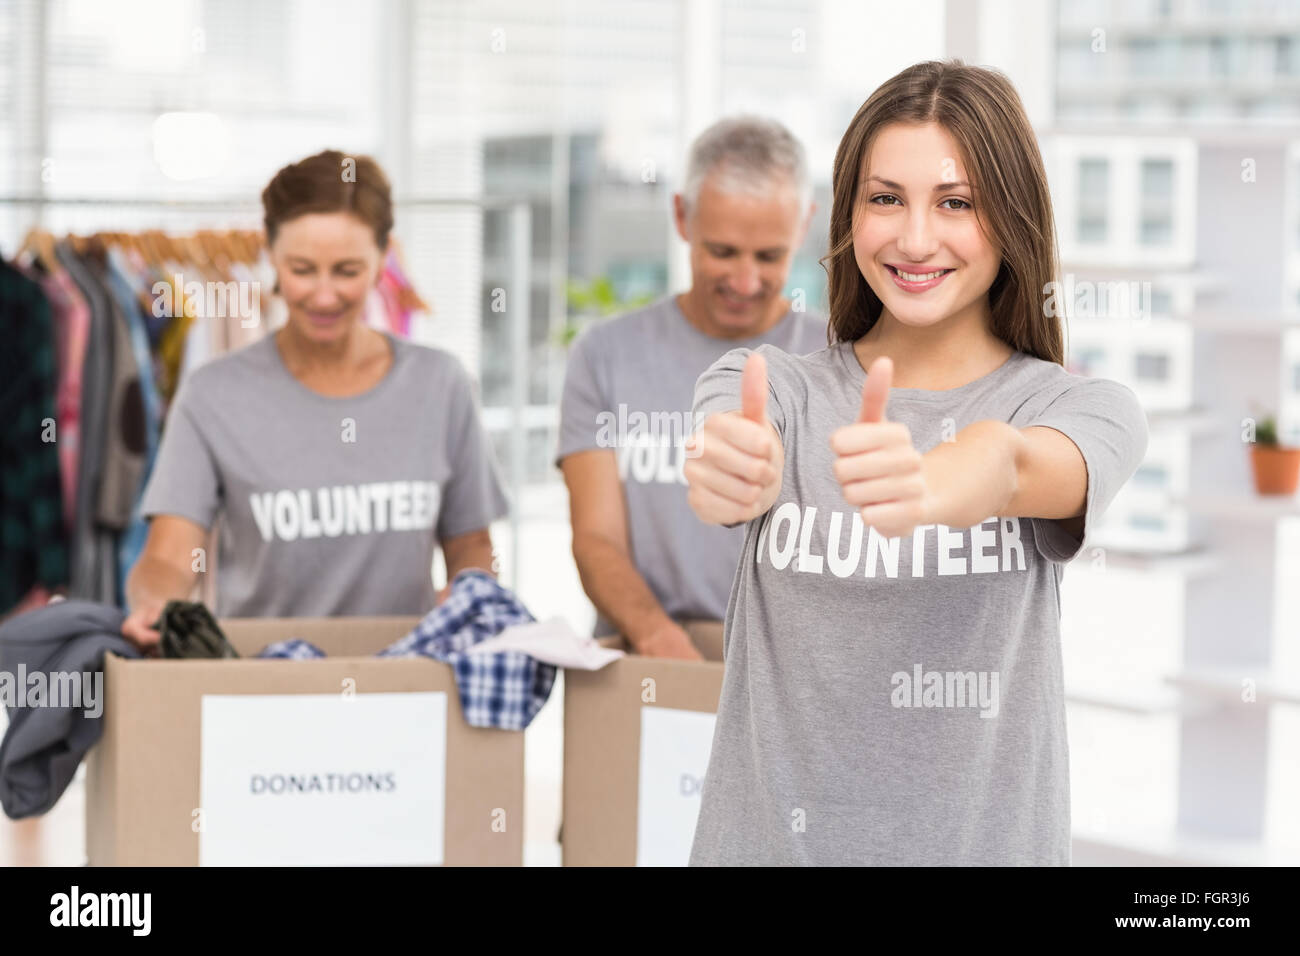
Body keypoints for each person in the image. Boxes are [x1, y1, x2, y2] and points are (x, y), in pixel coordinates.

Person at [683, 61, 1149, 865]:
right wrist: (733, 469)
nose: (915, 238)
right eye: (885, 198)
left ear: (1011, 217)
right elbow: (726, 435)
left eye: (956, 202)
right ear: (848, 213)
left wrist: (937, 482)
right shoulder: (772, 388)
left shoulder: (1079, 409)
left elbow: (1014, 466)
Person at [121, 150, 508, 647]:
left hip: (410, 688)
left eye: (347, 271)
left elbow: (472, 543)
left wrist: (472, 595)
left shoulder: (441, 385)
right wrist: (155, 604)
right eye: (303, 269)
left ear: (383, 258)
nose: (324, 296)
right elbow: (170, 557)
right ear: (271, 257)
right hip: (262, 689)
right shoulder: (213, 396)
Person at [557, 116, 826, 659]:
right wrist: (657, 636)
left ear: (804, 227)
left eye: (769, 256)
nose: (746, 282)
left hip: (790, 670)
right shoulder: (604, 356)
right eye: (723, 252)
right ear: (682, 216)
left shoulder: (842, 357)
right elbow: (596, 538)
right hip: (645, 658)